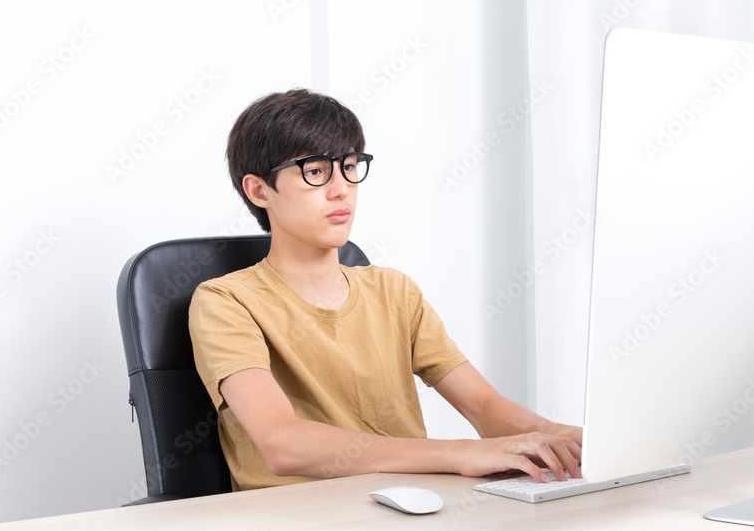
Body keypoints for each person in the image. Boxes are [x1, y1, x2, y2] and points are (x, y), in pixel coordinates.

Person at [189, 88, 581, 491]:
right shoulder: (225, 301)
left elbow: (484, 406)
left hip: (409, 508)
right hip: (296, 527)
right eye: (315, 170)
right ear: (259, 190)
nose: (341, 188)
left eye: (349, 166)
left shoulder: (393, 290)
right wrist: (459, 454)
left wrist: (558, 438)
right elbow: (282, 443)